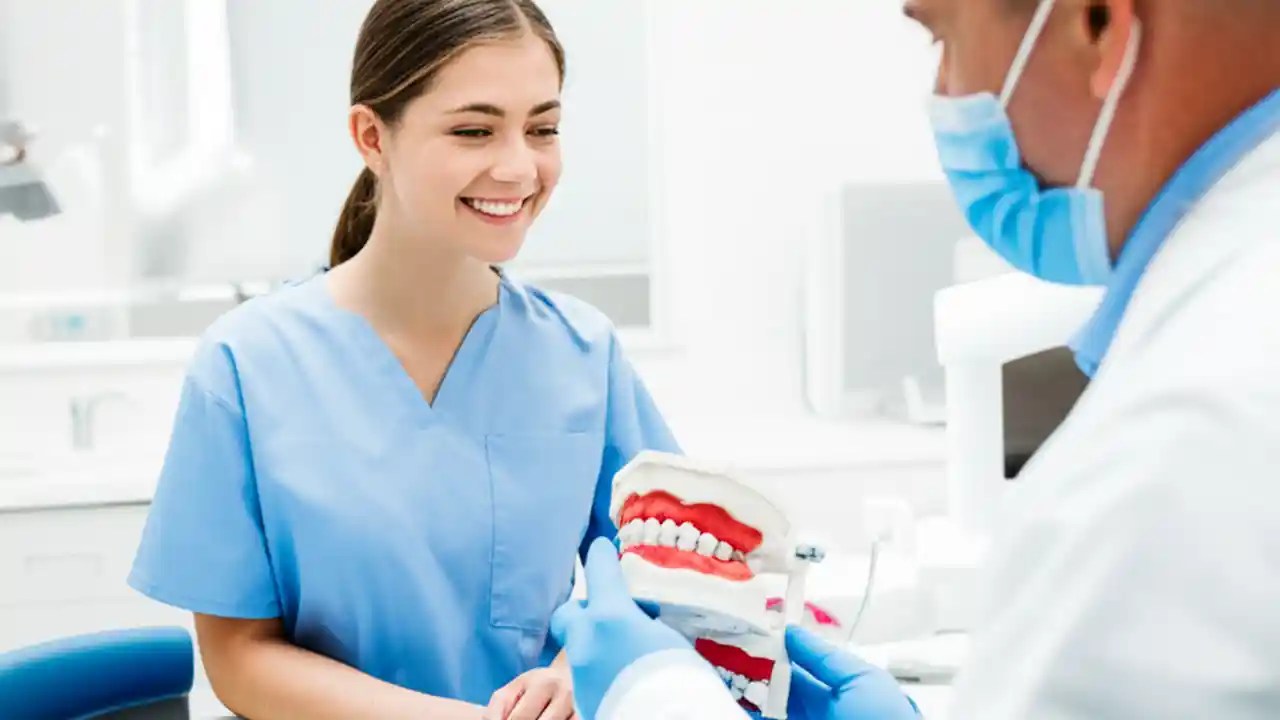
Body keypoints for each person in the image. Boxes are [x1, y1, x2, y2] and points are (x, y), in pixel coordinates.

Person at [549, 0, 1280, 718]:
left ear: (1097, 25)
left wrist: (658, 700)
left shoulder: (1187, 435)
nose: (946, 95)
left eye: (945, 41)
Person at [127, 1, 678, 718]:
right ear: (371, 137)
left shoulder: (581, 354)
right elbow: (238, 657)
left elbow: (662, 568)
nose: (518, 166)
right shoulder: (248, 365)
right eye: (473, 130)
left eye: (542, 128)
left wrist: (579, 672)